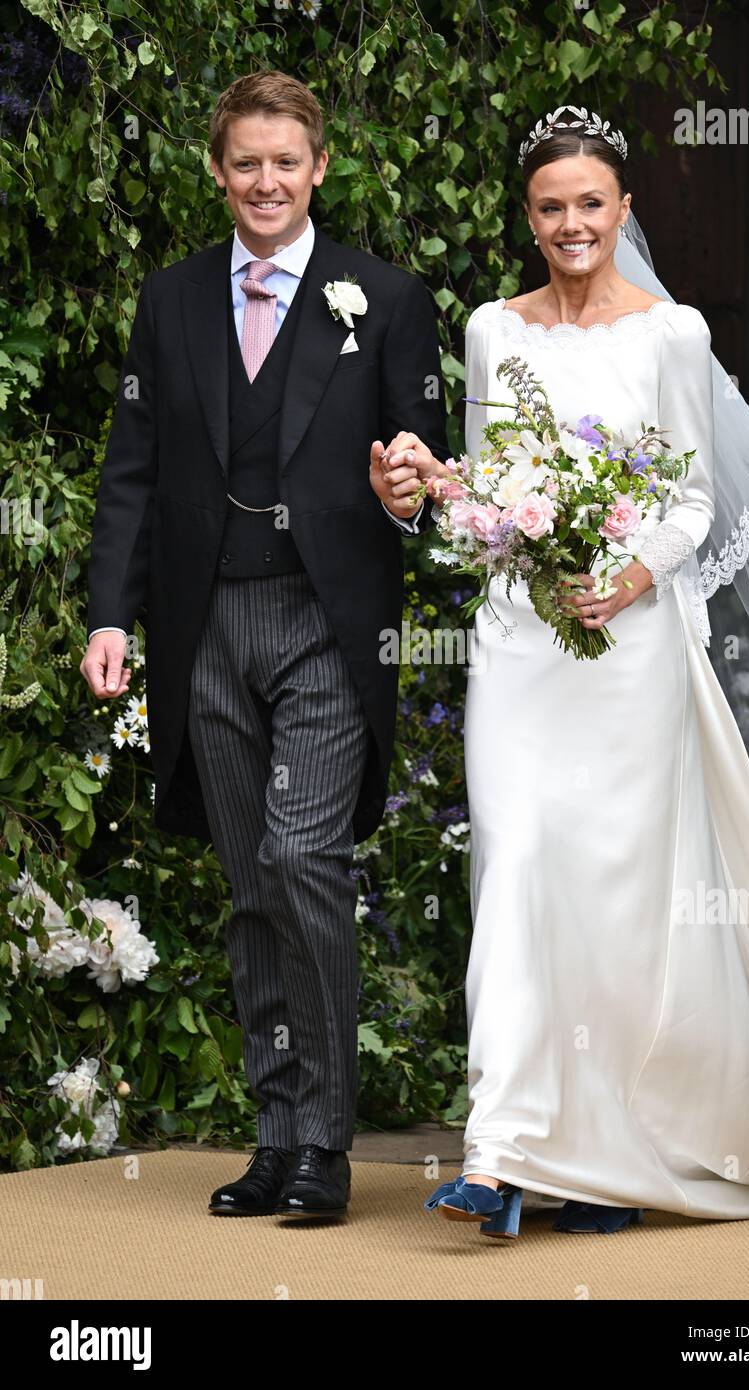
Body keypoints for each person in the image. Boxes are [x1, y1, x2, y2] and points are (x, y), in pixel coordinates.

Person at [379, 106, 749, 1240]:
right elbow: (494, 487)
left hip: (628, 643)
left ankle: (607, 1165)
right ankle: (501, 1152)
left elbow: (690, 500)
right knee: (514, 869)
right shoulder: (493, 328)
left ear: (623, 209)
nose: (570, 224)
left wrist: (630, 578)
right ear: (528, 216)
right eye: (550, 206)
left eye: (589, 202)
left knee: (617, 899)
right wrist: (426, 490)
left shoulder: (672, 335)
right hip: (520, 644)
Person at [80, 71, 447, 1221]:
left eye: (286, 161)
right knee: (250, 886)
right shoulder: (171, 299)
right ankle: (275, 1129)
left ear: (319, 167)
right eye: (246, 161)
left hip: (326, 625)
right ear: (217, 169)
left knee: (303, 859)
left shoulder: (384, 299)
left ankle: (328, 1140)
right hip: (204, 628)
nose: (266, 181)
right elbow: (131, 473)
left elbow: (420, 472)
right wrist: (107, 614)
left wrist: (404, 489)